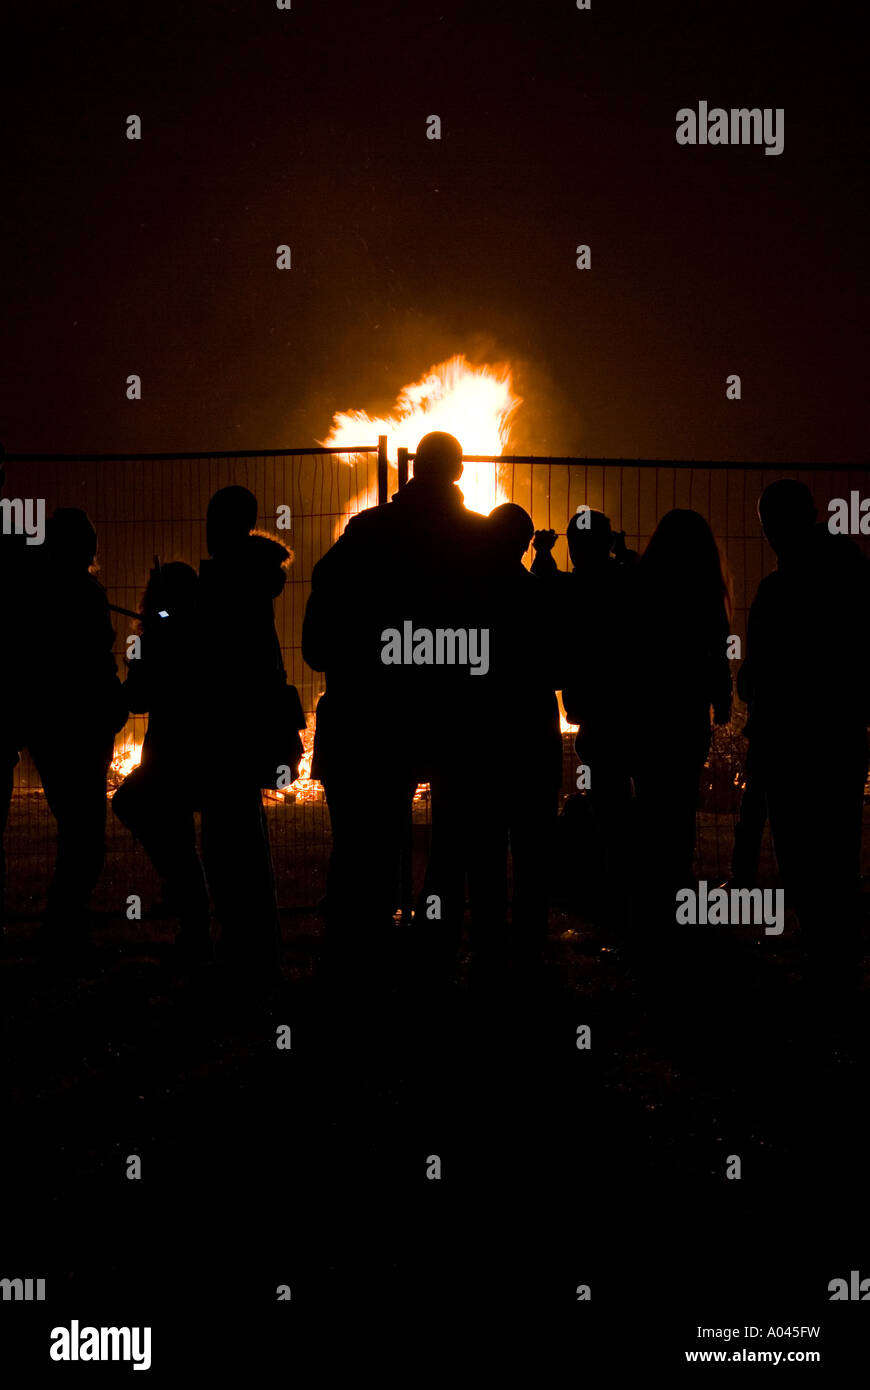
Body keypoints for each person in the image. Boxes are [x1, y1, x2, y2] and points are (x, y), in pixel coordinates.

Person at [303, 431, 490, 984]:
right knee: (454, 839)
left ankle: (363, 952)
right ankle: (435, 949)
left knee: (369, 838)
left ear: (414, 472)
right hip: (455, 711)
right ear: (457, 472)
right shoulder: (477, 540)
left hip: (374, 714)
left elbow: (321, 635)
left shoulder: (365, 533)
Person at [741, 478, 869, 1006]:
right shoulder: (852, 571)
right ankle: (839, 961)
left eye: (769, 524)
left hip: (791, 742)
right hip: (838, 735)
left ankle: (827, 961)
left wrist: (753, 687)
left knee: (800, 851)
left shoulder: (780, 590)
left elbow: (758, 676)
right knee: (836, 849)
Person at [197, 486, 295, 981]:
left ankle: (244, 948)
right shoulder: (254, 575)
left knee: (226, 840)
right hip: (248, 726)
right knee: (242, 838)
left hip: (225, 729)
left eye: (214, 520)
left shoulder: (227, 581)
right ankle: (258, 947)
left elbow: (214, 653)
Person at [22, 508, 128, 953]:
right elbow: (91, 663)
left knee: (78, 833)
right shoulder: (80, 594)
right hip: (79, 727)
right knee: (85, 837)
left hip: (55, 727)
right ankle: (62, 932)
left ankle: (64, 927)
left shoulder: (40, 591)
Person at [627, 509, 732, 927]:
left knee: (650, 798)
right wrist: (720, 698)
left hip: (647, 709)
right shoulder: (705, 591)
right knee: (681, 800)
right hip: (686, 712)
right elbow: (717, 651)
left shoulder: (641, 585)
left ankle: (650, 887)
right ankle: (676, 882)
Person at [532, 508, 636, 931]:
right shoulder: (628, 583)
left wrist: (541, 552)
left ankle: (614, 885)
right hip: (635, 708)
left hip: (595, 711)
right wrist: (627, 558)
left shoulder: (575, 587)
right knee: (631, 802)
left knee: (607, 799)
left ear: (574, 546)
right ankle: (636, 884)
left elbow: (547, 587)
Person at [112, 561, 212, 965]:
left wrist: (139, 656)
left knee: (134, 807)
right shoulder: (202, 628)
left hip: (170, 750)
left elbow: (138, 698)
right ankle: (194, 924)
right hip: (192, 748)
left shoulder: (164, 635)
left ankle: (194, 920)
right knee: (179, 838)